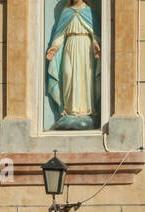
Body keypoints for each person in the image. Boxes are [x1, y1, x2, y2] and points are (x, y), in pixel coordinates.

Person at [45, 1, 101, 130]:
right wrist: (54, 47)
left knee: (85, 77)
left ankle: (87, 111)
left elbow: (95, 33)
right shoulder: (66, 12)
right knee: (68, 76)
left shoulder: (89, 12)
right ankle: (69, 110)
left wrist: (95, 42)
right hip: (69, 47)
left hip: (85, 48)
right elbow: (60, 35)